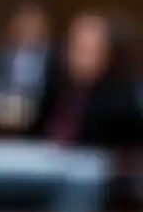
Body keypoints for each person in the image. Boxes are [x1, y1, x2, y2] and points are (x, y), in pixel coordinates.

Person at [31, 12, 143, 148]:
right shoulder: (54, 84)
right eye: (75, 48)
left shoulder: (121, 100)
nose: (79, 58)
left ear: (109, 54)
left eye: (89, 51)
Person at [0, 0, 59, 104]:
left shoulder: (57, 62)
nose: (29, 26)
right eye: (24, 19)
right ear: (11, 25)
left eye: (34, 19)